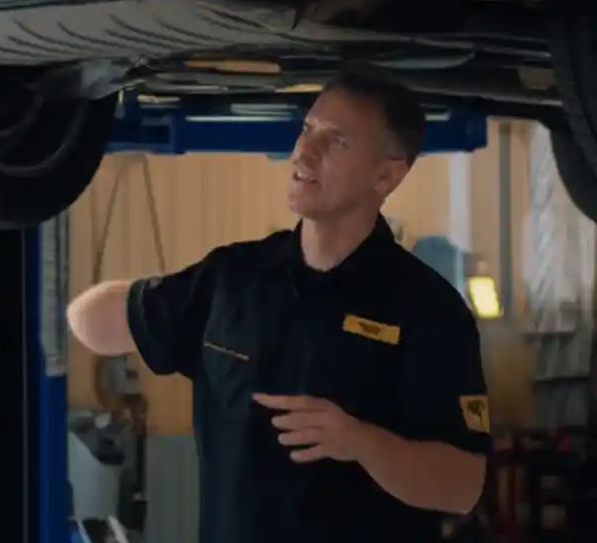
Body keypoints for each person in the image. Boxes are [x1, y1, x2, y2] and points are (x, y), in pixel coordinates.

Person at [68, 65, 491, 543]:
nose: (304, 150)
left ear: (386, 175)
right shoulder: (233, 279)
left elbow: (462, 486)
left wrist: (361, 442)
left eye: (336, 141)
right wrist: (141, 299)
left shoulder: (428, 310)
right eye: (308, 129)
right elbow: (88, 324)